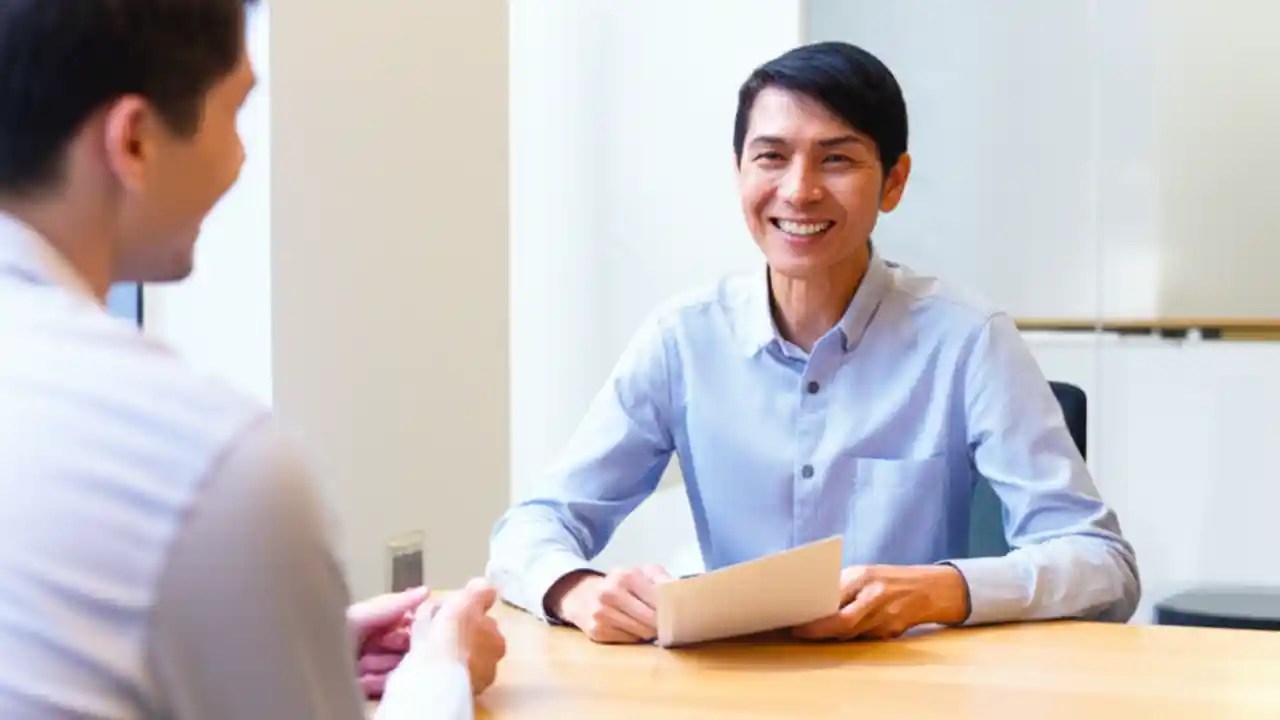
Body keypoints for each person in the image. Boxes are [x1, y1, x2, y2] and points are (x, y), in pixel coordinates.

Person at [488, 41, 1140, 643]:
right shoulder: (682, 340)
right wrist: (574, 590)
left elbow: (1103, 566)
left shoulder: (968, 341)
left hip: (909, 689)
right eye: (771, 156)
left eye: (837, 158)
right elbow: (531, 526)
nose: (799, 190)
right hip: (731, 691)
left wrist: (941, 589)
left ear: (893, 181)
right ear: (740, 171)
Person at [0, 1, 503, 717]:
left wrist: (298, 648)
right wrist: (439, 668)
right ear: (134, 142)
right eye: (236, 114)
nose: (240, 157)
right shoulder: (203, 461)